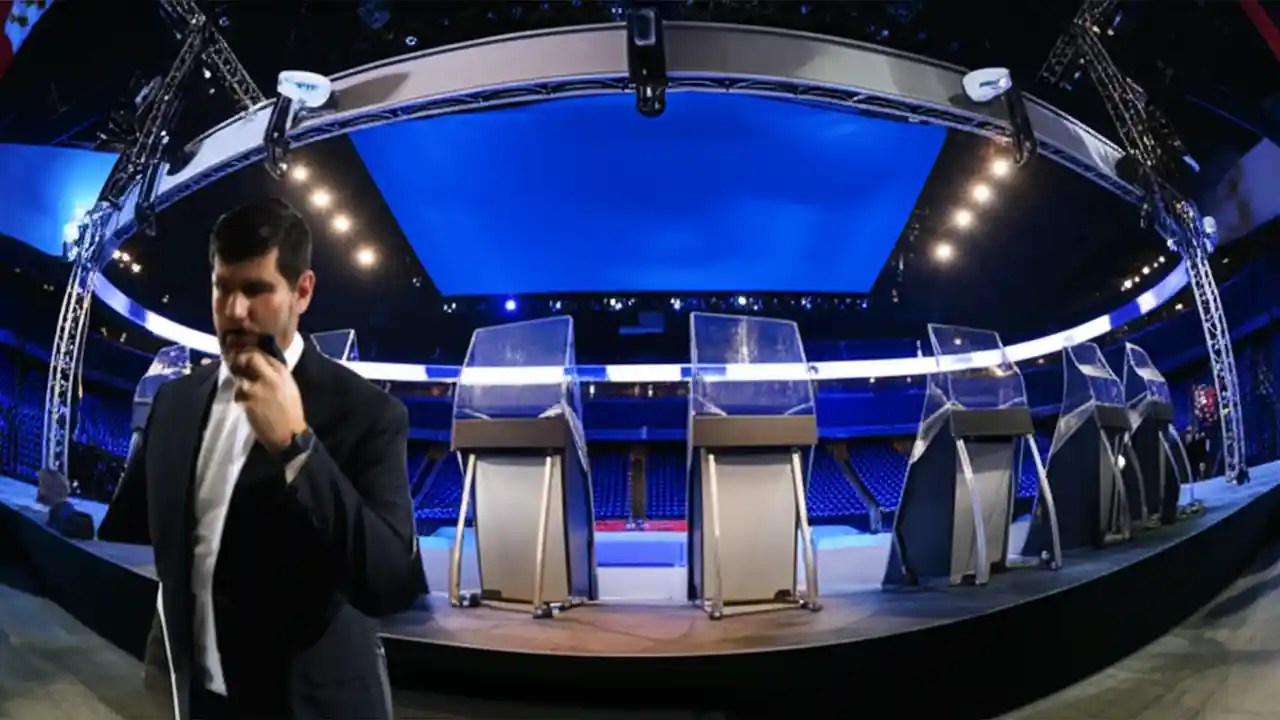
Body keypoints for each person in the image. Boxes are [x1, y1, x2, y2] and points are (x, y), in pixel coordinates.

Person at [98, 197, 424, 720]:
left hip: (305, 705)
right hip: (192, 696)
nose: (234, 312)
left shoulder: (368, 412)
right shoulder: (175, 402)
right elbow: (151, 534)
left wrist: (298, 448)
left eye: (256, 290)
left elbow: (390, 583)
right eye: (222, 286)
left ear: (303, 291)